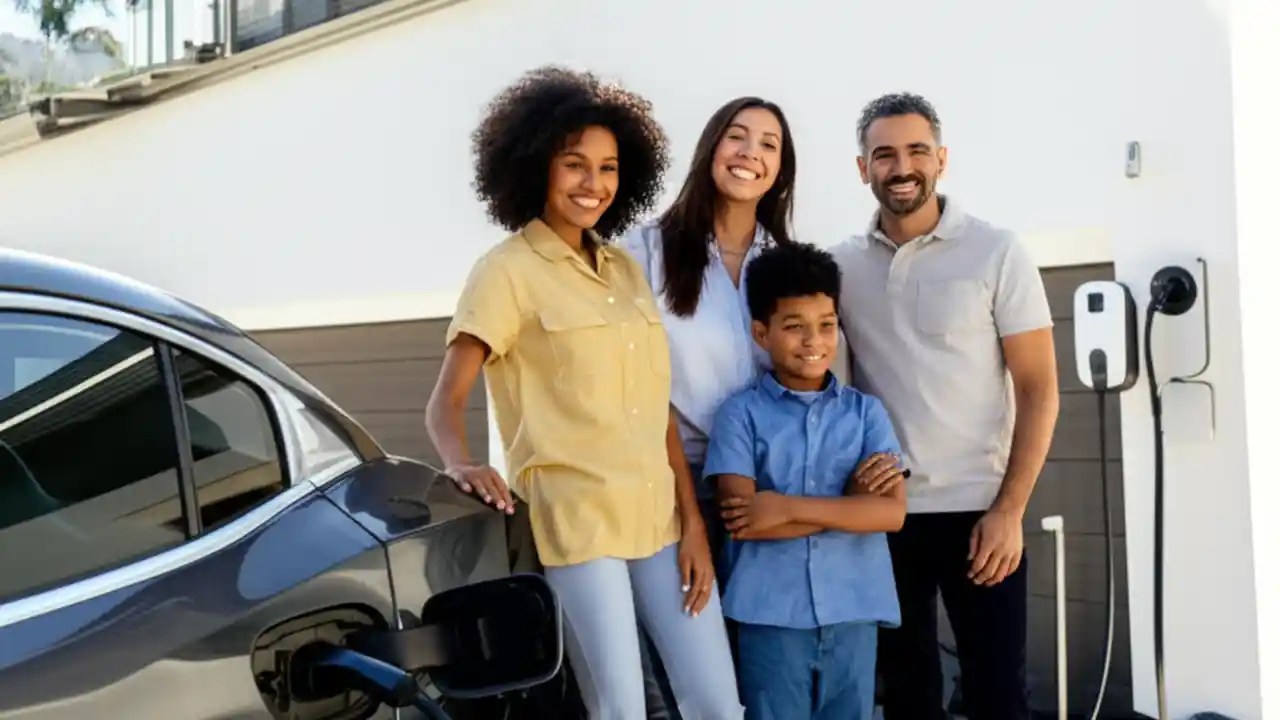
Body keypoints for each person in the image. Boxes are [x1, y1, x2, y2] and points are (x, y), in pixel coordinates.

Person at [425, 66, 742, 719]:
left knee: (716, 703)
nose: (593, 184)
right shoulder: (506, 272)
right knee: (620, 709)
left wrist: (694, 527)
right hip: (577, 525)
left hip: (659, 521)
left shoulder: (624, 269)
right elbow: (445, 400)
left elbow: (656, 411)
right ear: (535, 165)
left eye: (608, 168)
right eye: (575, 165)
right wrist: (461, 463)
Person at [831, 92, 1060, 720]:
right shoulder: (841, 265)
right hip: (885, 514)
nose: (901, 167)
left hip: (980, 513)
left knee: (997, 697)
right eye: (884, 155)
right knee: (907, 698)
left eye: (917, 151)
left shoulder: (997, 251)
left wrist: (1010, 510)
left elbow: (1039, 388)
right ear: (863, 168)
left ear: (942, 159)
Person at [703, 242, 910, 720]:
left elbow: (891, 513)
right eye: (794, 326)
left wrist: (785, 507)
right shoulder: (739, 416)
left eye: (826, 324)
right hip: (770, 615)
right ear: (761, 332)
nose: (813, 340)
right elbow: (746, 521)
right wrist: (850, 508)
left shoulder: (866, 414)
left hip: (855, 608)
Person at [619, 95, 800, 586]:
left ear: (780, 171)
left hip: (767, 490)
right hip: (672, 485)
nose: (750, 152)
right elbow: (635, 389)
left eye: (769, 145)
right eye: (736, 136)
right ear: (710, 149)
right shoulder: (645, 251)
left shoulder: (787, 263)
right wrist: (690, 518)